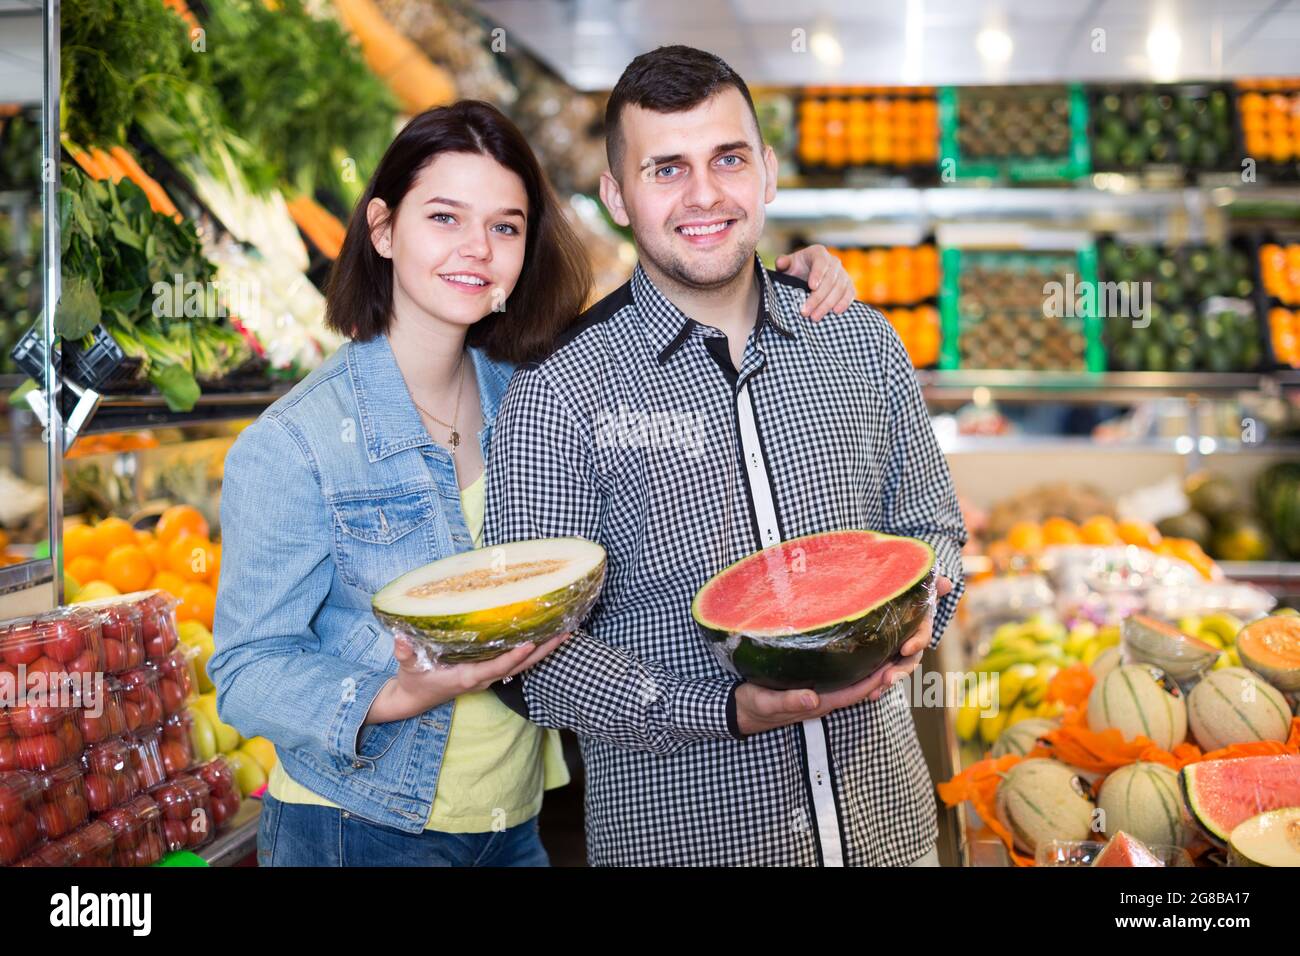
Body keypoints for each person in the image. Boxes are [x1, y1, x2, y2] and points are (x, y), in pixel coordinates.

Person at [211, 98, 855, 867]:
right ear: (383, 229)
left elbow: (668, 314)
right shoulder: (295, 442)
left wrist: (784, 272)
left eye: (505, 227)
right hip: (361, 824)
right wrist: (401, 695)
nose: (476, 250)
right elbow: (246, 670)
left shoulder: (530, 391)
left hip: (514, 818)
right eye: (444, 218)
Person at [484, 47, 968, 867]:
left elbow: (933, 528)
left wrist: (927, 611)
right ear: (616, 195)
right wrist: (722, 710)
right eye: (665, 169)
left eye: (728, 159)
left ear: (767, 173)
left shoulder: (860, 341)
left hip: (894, 836)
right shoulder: (557, 396)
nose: (704, 195)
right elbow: (526, 661)